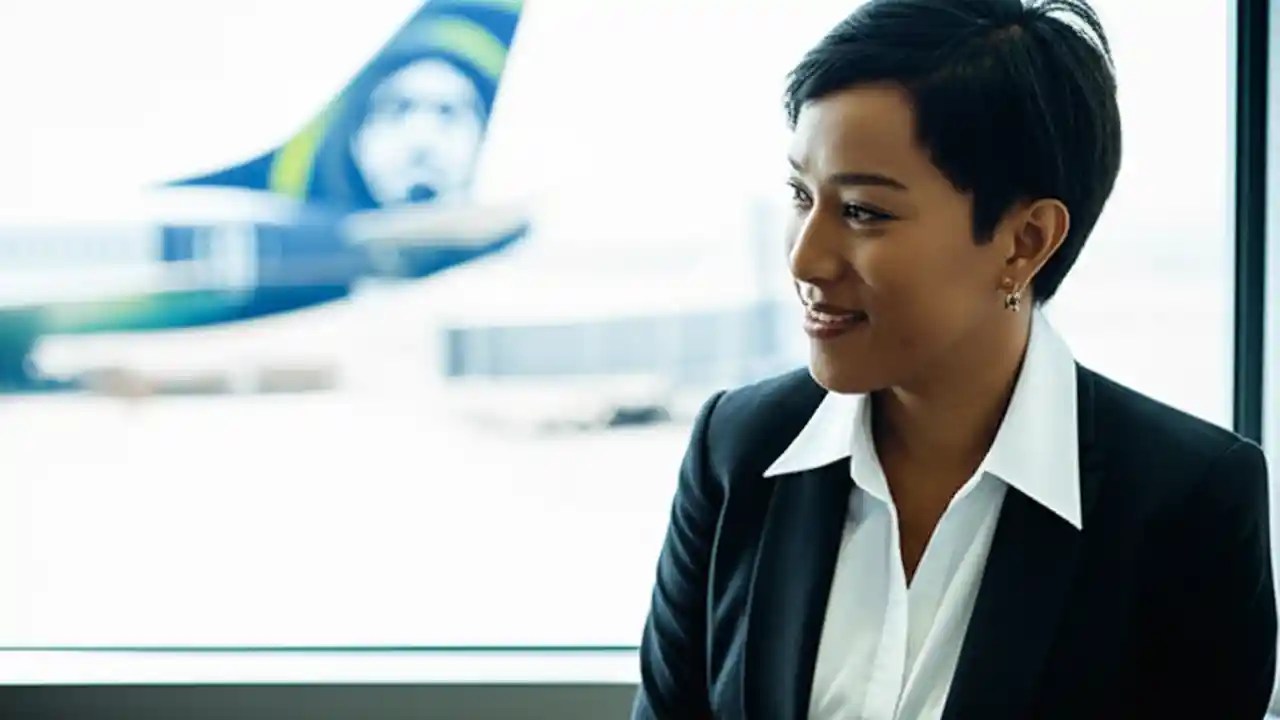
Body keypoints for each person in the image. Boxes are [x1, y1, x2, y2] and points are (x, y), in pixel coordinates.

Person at [632, 1, 1277, 718]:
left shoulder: (1185, 504)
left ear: (1025, 241)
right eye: (801, 195)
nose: (805, 257)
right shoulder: (739, 448)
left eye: (863, 212)